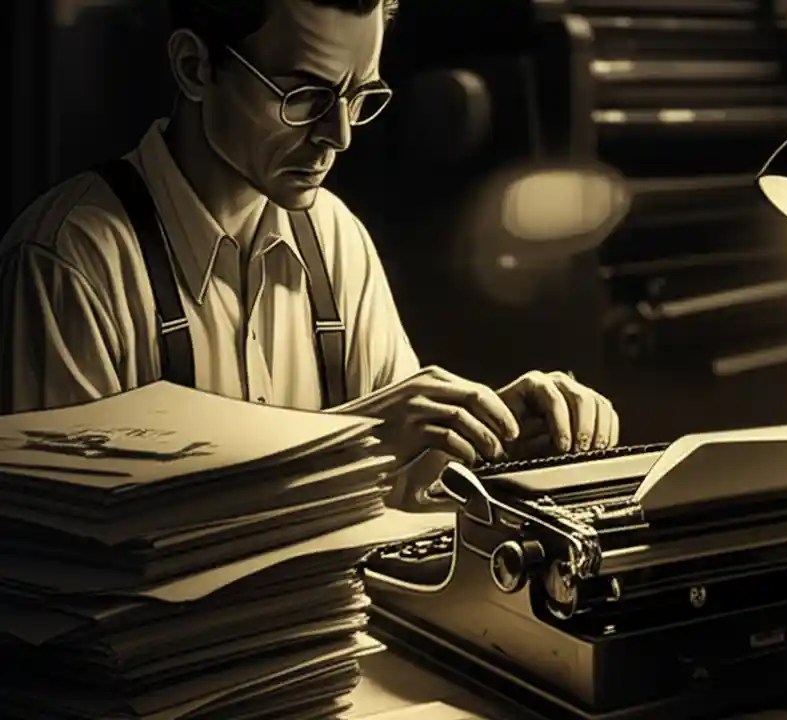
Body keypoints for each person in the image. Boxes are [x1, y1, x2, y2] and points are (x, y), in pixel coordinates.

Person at [0, 0, 620, 476]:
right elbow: (74, 562)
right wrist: (354, 434)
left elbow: (397, 475)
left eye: (358, 95)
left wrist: (493, 433)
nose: (340, 134)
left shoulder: (335, 237)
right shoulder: (67, 263)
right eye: (303, 96)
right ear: (195, 66)